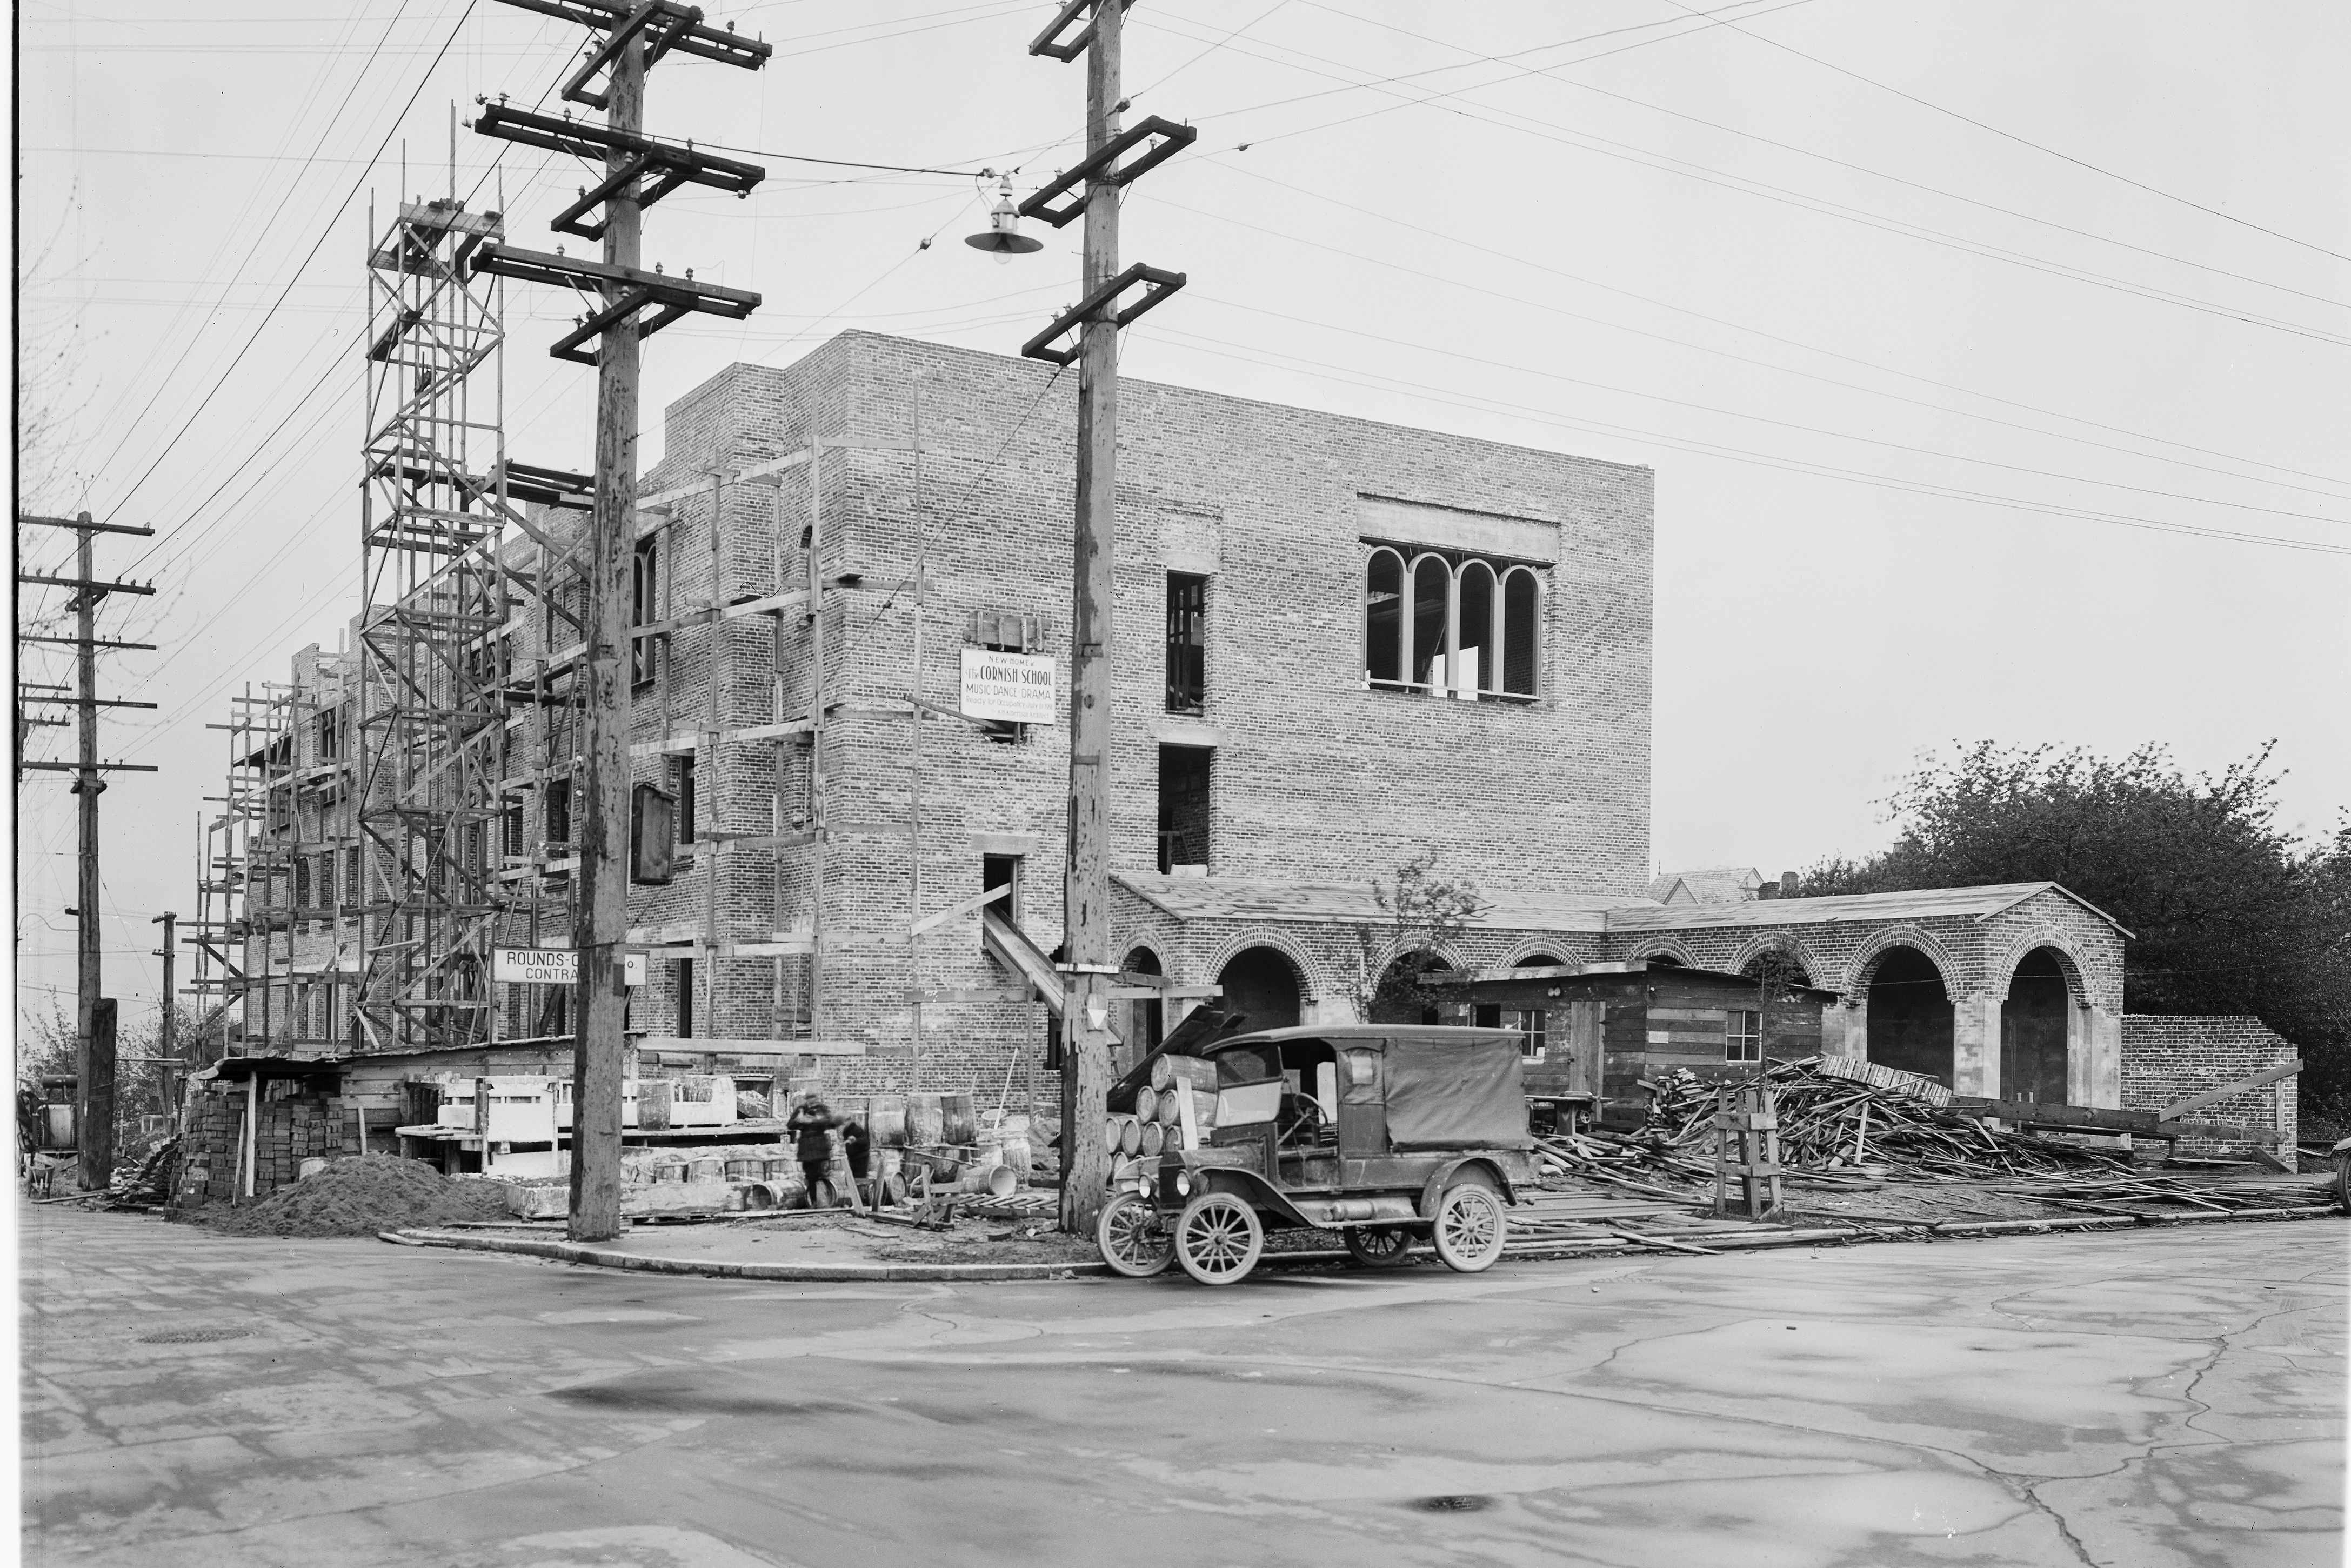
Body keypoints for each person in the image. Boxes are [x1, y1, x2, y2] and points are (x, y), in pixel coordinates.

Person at [785, 1092, 837, 1209]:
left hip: (820, 1148)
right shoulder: (801, 1110)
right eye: (810, 1100)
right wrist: (800, 1121)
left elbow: (832, 1123)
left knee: (822, 1174)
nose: (812, 1102)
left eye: (814, 1100)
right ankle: (814, 1202)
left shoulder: (822, 1110)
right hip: (806, 1149)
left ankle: (826, 1199)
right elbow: (790, 1125)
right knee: (810, 1176)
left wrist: (815, 1121)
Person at [840, 1116, 874, 1207]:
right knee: (853, 1179)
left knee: (859, 1180)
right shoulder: (846, 1132)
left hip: (861, 1159)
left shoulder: (857, 1130)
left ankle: (860, 1201)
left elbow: (865, 1141)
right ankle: (856, 1201)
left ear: (848, 1122)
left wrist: (856, 1140)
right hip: (853, 1159)